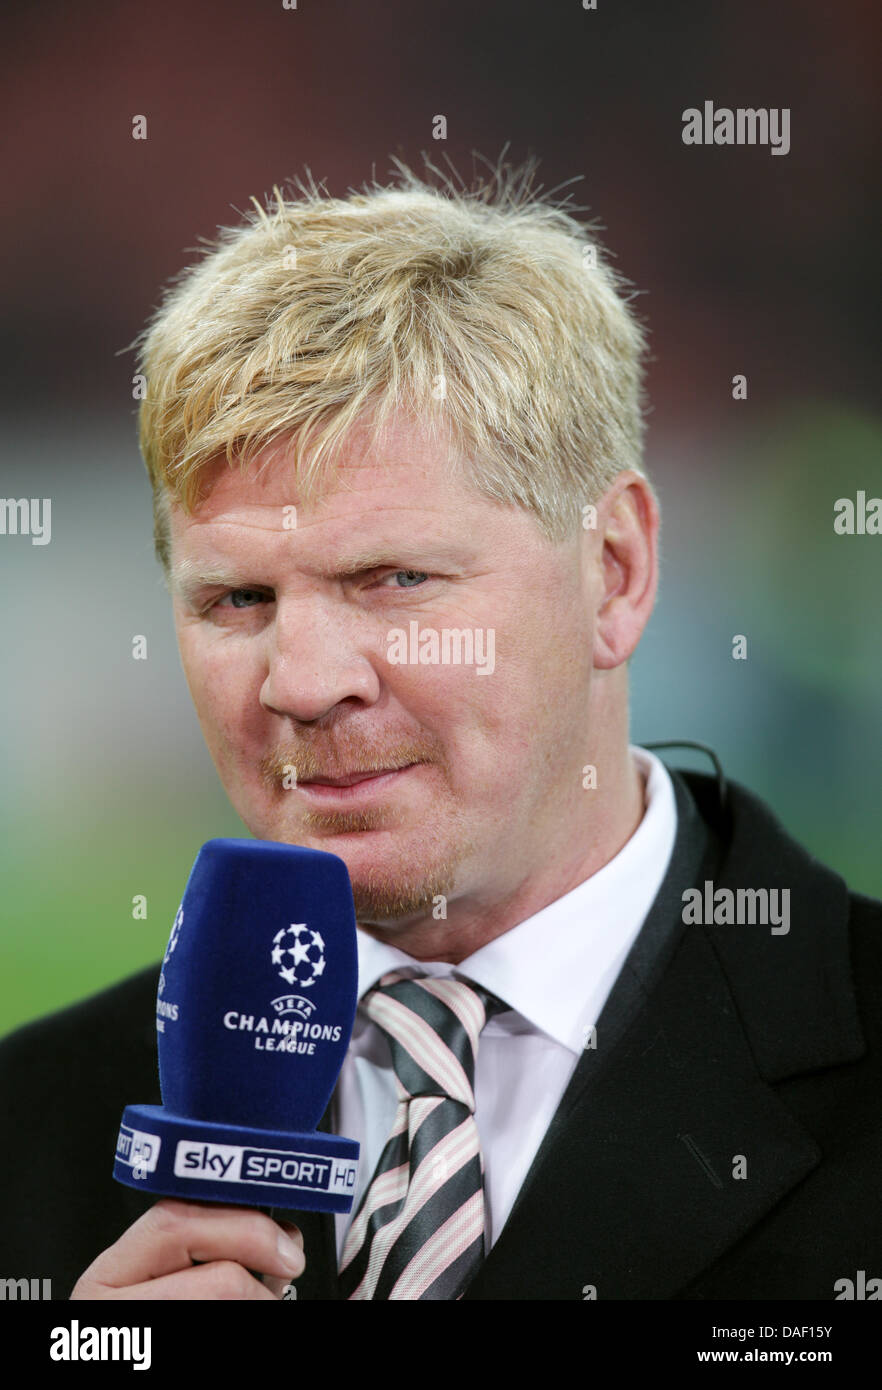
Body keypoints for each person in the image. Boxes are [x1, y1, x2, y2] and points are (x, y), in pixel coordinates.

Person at [0, 161, 879, 1301]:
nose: (304, 685)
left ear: (613, 571)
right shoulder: (28, 1130)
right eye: (239, 601)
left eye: (396, 579)